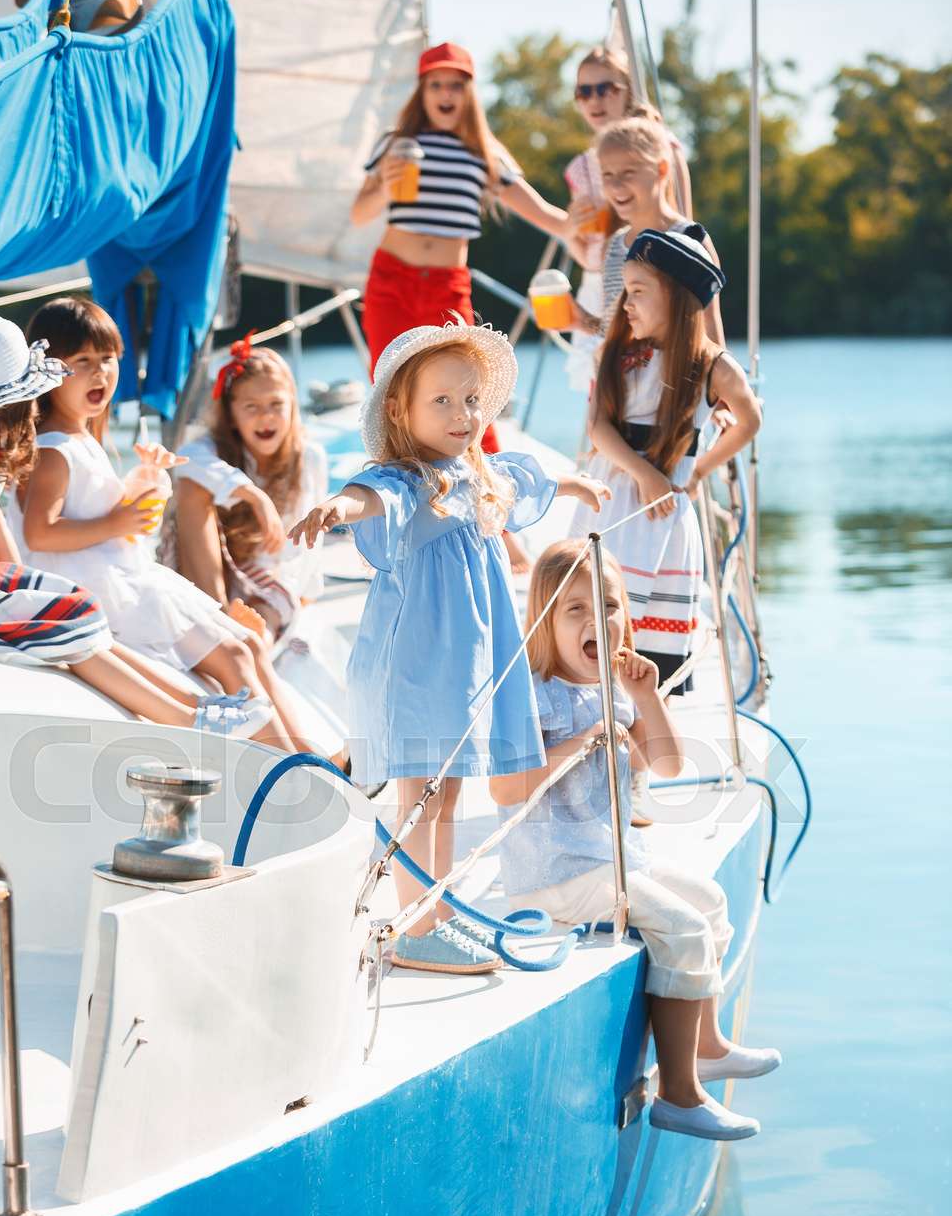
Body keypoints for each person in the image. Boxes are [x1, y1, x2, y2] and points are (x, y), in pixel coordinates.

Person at [289, 320, 610, 975]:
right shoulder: (406, 481)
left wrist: (574, 486)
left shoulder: (476, 476)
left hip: (466, 668)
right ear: (401, 413)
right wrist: (334, 509)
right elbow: (365, 495)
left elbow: (528, 482)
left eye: (469, 400)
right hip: (419, 667)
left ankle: (431, 912)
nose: (462, 413)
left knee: (448, 795)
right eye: (442, 401)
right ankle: (411, 927)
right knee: (421, 798)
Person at [490, 541, 781, 1141]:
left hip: (612, 860)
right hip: (559, 873)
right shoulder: (533, 693)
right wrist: (580, 743)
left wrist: (646, 699)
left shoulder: (618, 691)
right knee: (684, 928)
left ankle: (706, 1044)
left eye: (610, 604)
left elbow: (668, 763)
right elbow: (504, 790)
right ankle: (679, 1093)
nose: (597, 619)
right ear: (546, 622)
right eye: (575, 610)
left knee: (710, 903)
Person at [0, 313, 265, 738]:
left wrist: (20, 579)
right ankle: (186, 718)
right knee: (74, 617)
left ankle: (195, 703)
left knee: (73, 601)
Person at [14, 297, 305, 753]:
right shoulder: (53, 451)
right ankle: (293, 768)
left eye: (108, 359)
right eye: (81, 362)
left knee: (246, 644)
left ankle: (308, 756)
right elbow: (40, 534)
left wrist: (145, 480)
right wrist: (117, 520)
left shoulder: (81, 438)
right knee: (233, 656)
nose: (100, 374)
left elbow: (97, 512)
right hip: (103, 588)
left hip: (125, 574)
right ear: (51, 372)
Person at [351, 40, 580, 457]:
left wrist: (590, 219)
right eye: (435, 84)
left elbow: (547, 216)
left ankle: (488, 491)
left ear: (468, 93)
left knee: (467, 385)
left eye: (455, 86)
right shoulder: (394, 143)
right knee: (389, 383)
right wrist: (386, 185)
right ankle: (397, 481)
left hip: (446, 284)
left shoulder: (486, 155)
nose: (445, 94)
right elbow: (359, 214)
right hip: (391, 278)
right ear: (422, 91)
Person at [574, 228, 761, 699]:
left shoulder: (713, 366)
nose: (626, 303)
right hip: (612, 500)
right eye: (625, 291)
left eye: (638, 291)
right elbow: (598, 429)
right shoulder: (614, 354)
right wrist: (645, 473)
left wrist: (697, 469)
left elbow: (749, 420)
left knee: (652, 646)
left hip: (663, 518)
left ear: (678, 299)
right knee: (591, 622)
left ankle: (644, 743)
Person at [166, 335, 328, 638]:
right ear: (231, 415)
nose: (266, 416)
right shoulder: (213, 449)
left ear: (292, 405)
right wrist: (254, 496)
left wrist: (306, 591)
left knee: (264, 611)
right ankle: (219, 621)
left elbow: (311, 545)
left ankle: (253, 641)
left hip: (271, 581)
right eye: (251, 406)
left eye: (276, 404)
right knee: (191, 487)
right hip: (215, 579)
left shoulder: (309, 457)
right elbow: (184, 460)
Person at [562, 44, 692, 393]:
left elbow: (684, 227)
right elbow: (590, 257)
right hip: (600, 290)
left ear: (629, 91)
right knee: (603, 394)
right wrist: (571, 232)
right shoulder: (582, 167)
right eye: (584, 91)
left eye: (606, 88)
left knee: (655, 389)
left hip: (654, 281)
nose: (594, 100)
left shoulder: (663, 147)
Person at [594, 117, 723, 349]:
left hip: (675, 381)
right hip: (623, 382)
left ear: (661, 170)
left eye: (628, 172)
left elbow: (710, 329)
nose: (616, 186)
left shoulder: (690, 239)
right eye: (607, 175)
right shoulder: (612, 246)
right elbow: (611, 330)